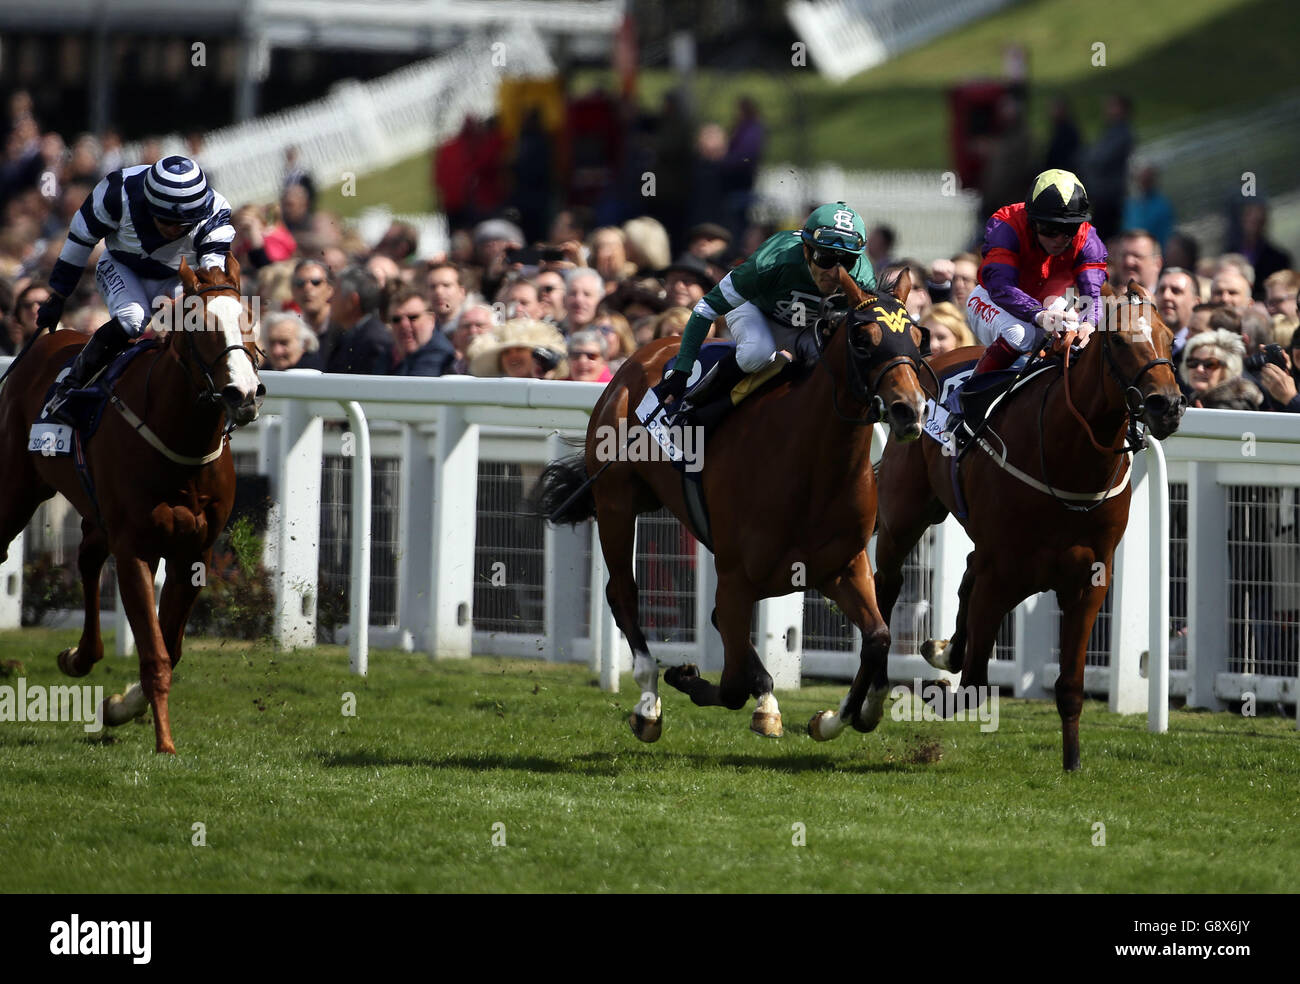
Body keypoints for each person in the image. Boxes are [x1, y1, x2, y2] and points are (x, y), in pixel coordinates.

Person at [38, 155, 235, 423]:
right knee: (132, 320)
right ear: (148, 203)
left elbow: (212, 279)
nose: (174, 229)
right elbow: (80, 239)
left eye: (183, 224)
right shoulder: (116, 190)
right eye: (165, 220)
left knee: (198, 323)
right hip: (122, 266)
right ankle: (70, 387)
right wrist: (58, 295)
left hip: (180, 277)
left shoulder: (216, 212)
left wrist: (182, 308)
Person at [656, 201, 877, 414]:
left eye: (846, 261)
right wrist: (682, 369)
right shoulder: (775, 259)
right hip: (757, 311)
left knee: (835, 367)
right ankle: (696, 403)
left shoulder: (863, 278)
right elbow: (706, 308)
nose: (834, 272)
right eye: (825, 258)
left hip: (808, 328)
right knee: (756, 353)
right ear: (806, 250)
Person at [963, 169, 1107, 389]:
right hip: (991, 299)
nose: (1059, 239)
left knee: (1086, 337)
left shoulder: (1088, 239)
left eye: (1068, 229)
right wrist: (1037, 314)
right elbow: (1001, 286)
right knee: (1020, 334)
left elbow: (1092, 295)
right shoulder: (1007, 225)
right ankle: (967, 398)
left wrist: (1089, 323)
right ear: (1032, 221)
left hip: (1047, 303)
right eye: (1050, 229)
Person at [322, 266, 392, 374]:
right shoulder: (346, 335)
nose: (329, 300)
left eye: (335, 293)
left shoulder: (374, 342)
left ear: (352, 300)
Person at [1179, 329, 1261, 409]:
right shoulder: (1191, 400)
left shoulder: (1233, 407)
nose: (1199, 369)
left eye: (1210, 364)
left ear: (1229, 368)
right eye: (1193, 362)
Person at [387, 286, 456, 376]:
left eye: (413, 317)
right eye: (396, 319)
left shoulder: (441, 354)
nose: (404, 325)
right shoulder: (387, 352)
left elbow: (411, 388)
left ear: (431, 320)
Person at [466, 318, 567, 379]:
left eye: (520, 349)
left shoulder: (554, 388)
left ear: (538, 355)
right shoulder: (494, 395)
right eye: (506, 352)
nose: (512, 356)